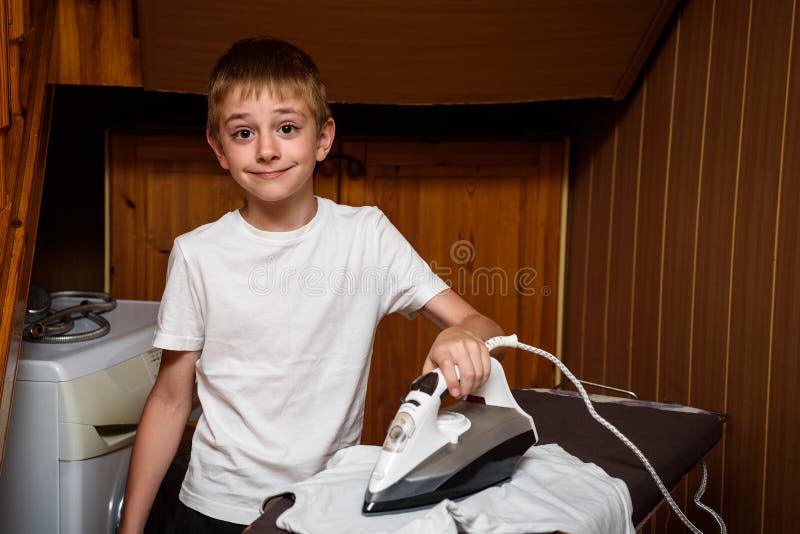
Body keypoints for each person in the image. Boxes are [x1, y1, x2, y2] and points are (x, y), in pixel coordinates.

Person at [119, 37, 504, 534]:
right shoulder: (198, 254)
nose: (266, 149)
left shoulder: (367, 236)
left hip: (325, 507)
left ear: (322, 139)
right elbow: (171, 399)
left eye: (286, 128)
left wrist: (463, 335)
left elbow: (482, 325)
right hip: (214, 509)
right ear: (217, 147)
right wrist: (130, 529)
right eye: (242, 133)